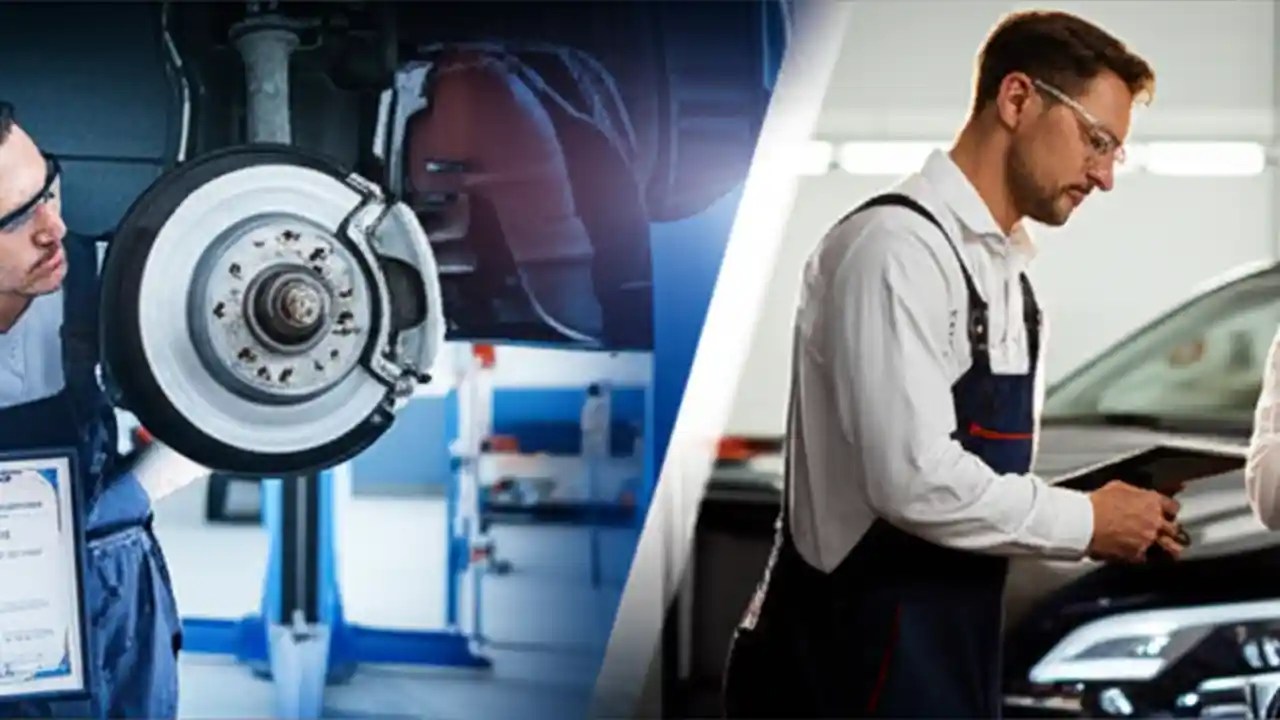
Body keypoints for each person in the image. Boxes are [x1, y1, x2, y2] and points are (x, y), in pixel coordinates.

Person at [721, 10, 1187, 719]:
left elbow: (979, 484)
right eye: (1096, 140)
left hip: (947, 666)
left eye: (1114, 153)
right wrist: (1085, 521)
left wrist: (1112, 514)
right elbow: (912, 480)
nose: (1104, 176)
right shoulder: (894, 250)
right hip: (846, 673)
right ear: (1018, 99)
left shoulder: (1013, 284)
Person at [0, 102, 182, 718]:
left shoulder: (112, 278)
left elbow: (217, 416)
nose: (53, 228)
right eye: (15, 218)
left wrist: (129, 495)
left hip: (111, 607)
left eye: (49, 189)